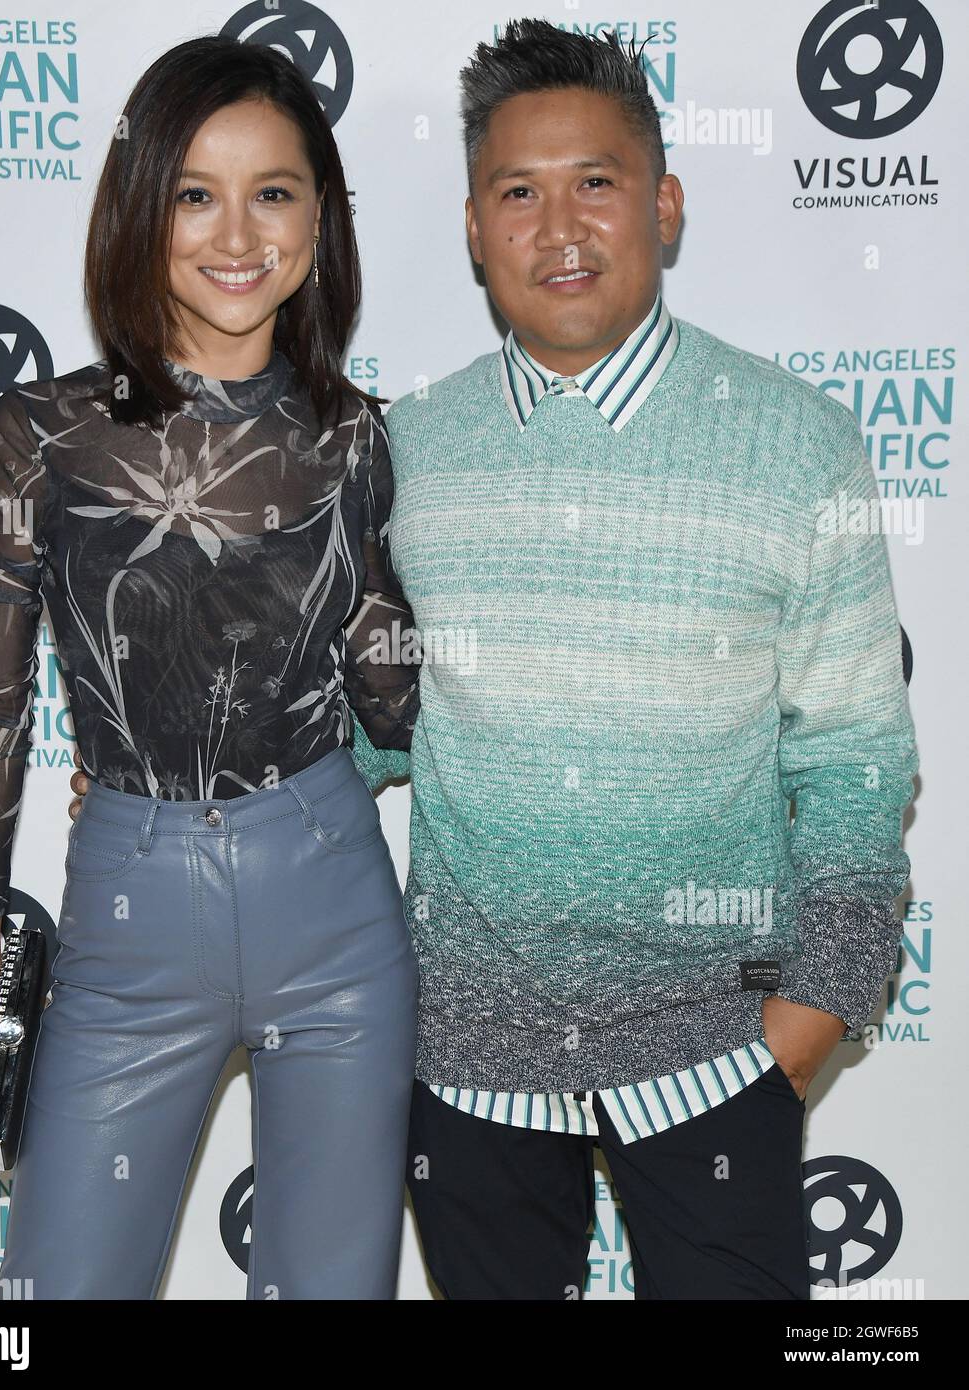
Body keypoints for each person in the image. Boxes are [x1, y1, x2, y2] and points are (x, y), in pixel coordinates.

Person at [377, 20, 917, 1299]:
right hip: (466, 1064)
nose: (557, 225)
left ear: (662, 205)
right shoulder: (401, 450)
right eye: (518, 191)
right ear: (471, 225)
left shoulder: (797, 443)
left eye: (595, 182)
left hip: (723, 1052)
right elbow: (365, 716)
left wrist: (805, 1022)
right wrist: (192, 775)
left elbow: (851, 755)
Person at [0, 35, 420, 1301]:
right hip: (126, 916)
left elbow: (392, 695)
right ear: (140, 206)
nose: (236, 230)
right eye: (195, 191)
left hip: (335, 906)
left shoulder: (356, 436)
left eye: (275, 189)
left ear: (322, 215)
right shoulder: (38, 433)